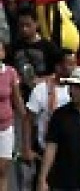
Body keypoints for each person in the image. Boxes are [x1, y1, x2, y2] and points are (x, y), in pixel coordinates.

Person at [24, 48, 74, 162]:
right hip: (46, 150)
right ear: (58, 67)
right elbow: (28, 120)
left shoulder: (78, 90)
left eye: (75, 63)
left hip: (71, 150)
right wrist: (27, 149)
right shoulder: (41, 90)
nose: (74, 68)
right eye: (70, 64)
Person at [0, 41, 25, 191]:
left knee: (2, 170)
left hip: (5, 127)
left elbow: (17, 99)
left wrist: (25, 120)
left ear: (3, 53)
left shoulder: (10, 72)